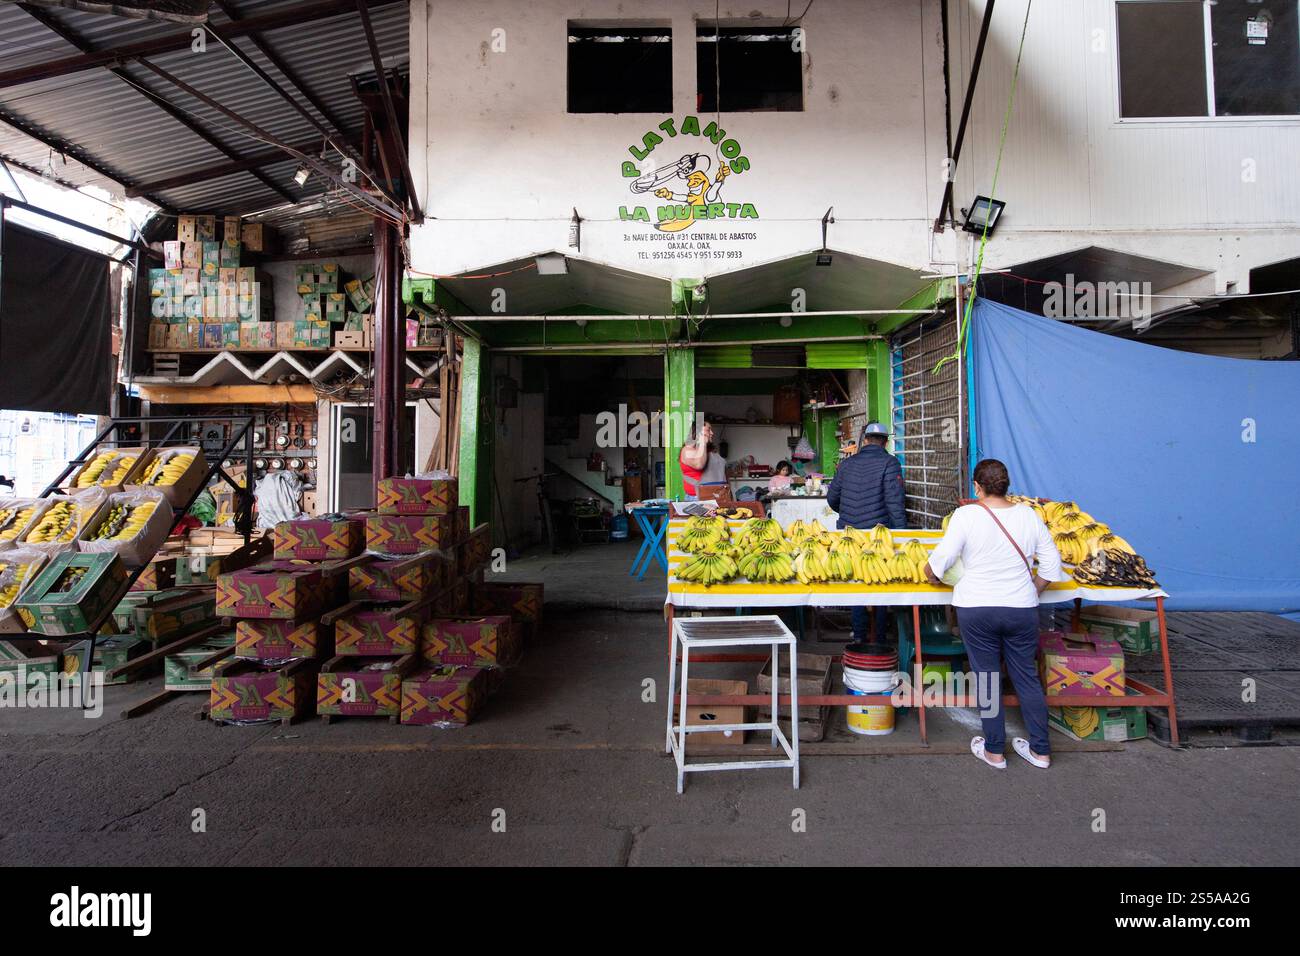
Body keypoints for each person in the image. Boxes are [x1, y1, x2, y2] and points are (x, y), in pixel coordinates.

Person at [924, 458, 1064, 772]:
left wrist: (930, 573)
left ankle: (994, 751)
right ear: (1006, 485)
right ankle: (1041, 752)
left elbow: (939, 563)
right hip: (1021, 610)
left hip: (977, 609)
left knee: (987, 679)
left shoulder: (966, 515)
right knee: (1026, 678)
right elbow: (1052, 567)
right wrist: (1031, 591)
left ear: (976, 486)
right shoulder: (1029, 516)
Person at [826, 422, 905, 642]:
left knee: (856, 582)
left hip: (849, 533)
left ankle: (859, 635)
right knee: (877, 581)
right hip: (876, 536)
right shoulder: (891, 463)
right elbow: (894, 502)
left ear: (866, 441)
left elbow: (832, 498)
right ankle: (879, 636)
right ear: (886, 442)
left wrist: (848, 512)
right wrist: (902, 535)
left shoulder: (847, 464)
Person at [679, 419, 727, 500]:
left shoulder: (710, 451)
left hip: (717, 495)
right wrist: (703, 443)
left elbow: (722, 473)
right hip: (697, 498)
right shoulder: (687, 450)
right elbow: (699, 465)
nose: (712, 433)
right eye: (708, 430)